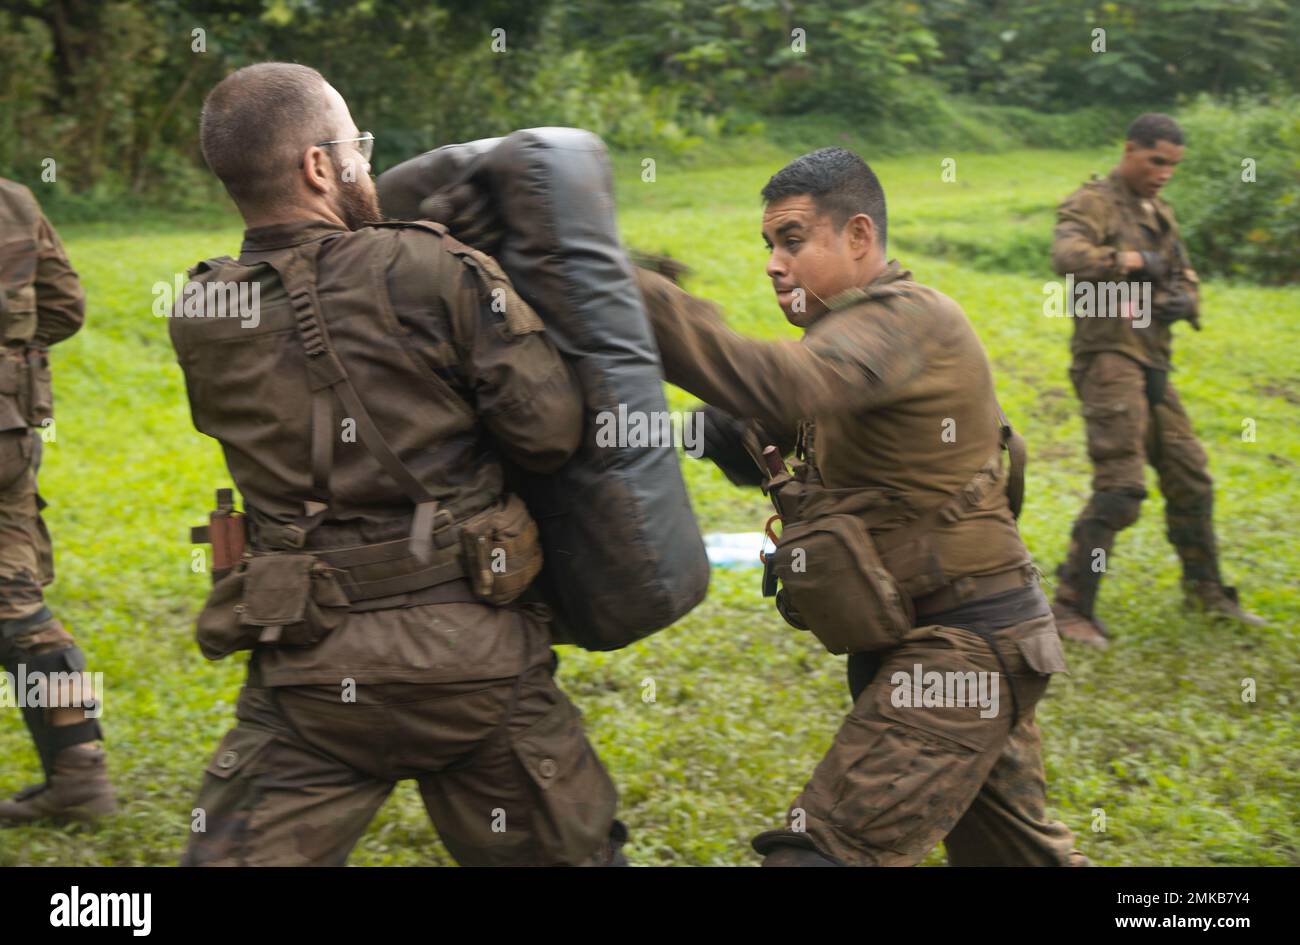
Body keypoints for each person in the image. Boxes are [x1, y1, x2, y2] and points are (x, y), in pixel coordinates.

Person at [173, 62, 623, 866]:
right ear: (320, 165)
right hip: (475, 667)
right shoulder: (432, 269)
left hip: (309, 679)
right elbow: (550, 433)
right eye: (358, 147)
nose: (366, 165)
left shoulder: (202, 310)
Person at [634, 147, 1085, 866]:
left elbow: (778, 387)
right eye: (769, 246)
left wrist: (633, 296)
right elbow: (733, 431)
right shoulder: (839, 344)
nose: (774, 265)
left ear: (859, 237)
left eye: (792, 240)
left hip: (965, 649)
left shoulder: (910, 321)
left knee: (817, 854)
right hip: (917, 640)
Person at [1049, 112, 1265, 650]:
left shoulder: (1160, 211)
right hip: (1107, 357)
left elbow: (1183, 271)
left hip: (1152, 361)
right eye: (1156, 161)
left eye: (1173, 164)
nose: (1165, 172)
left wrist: (1185, 299)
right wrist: (1130, 260)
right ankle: (1070, 608)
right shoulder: (1095, 201)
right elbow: (1067, 256)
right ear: (1130, 150)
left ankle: (1206, 589)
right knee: (1121, 488)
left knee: (1190, 478)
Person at [0, 176, 115, 824]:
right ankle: (79, 776)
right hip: (7, 432)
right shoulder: (14, 199)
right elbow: (65, 307)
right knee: (17, 605)